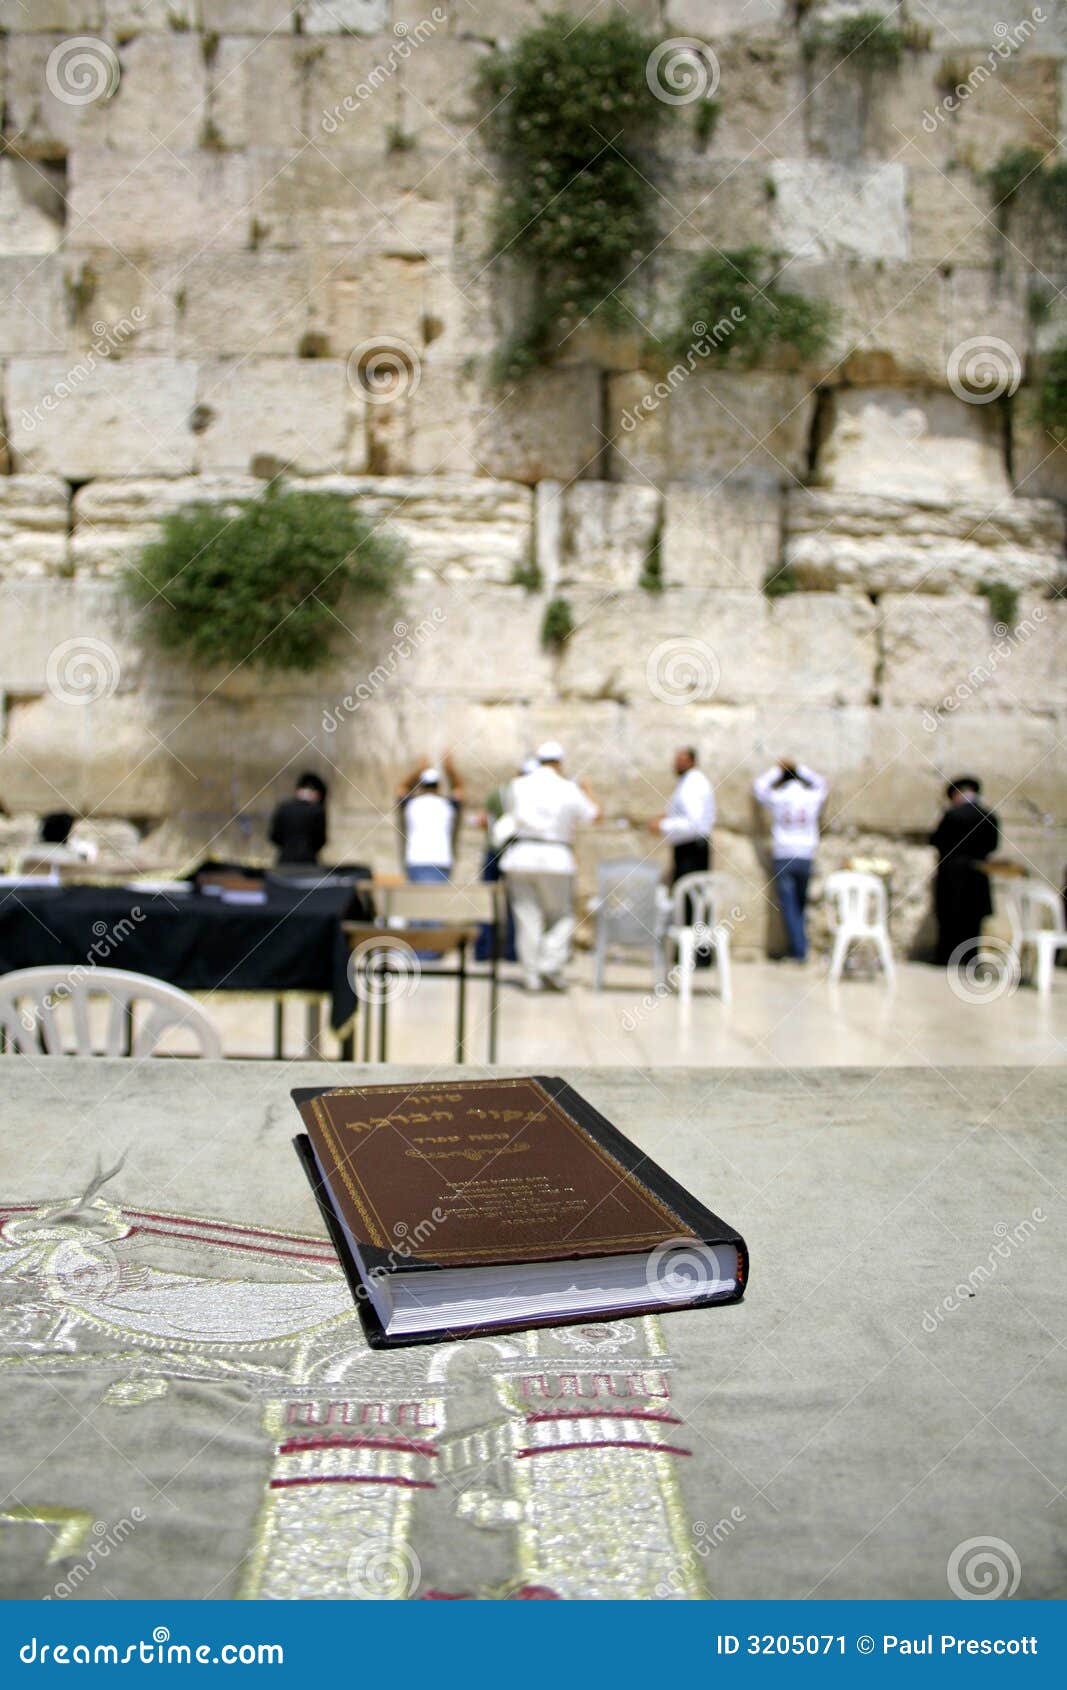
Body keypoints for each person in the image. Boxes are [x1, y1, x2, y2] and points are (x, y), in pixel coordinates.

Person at [500, 742, 599, 992]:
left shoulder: (518, 785)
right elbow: (593, 816)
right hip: (556, 859)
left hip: (521, 856)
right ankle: (549, 963)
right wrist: (587, 790)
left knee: (527, 917)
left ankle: (531, 975)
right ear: (559, 762)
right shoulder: (568, 788)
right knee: (562, 916)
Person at [753, 760, 828, 962]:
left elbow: (759, 788)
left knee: (789, 905)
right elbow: (823, 784)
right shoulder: (810, 796)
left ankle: (799, 951)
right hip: (805, 854)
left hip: (784, 854)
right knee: (800, 903)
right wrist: (801, 768)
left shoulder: (778, 797)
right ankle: (800, 947)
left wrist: (777, 769)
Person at [930, 776, 1000, 967]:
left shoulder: (952, 815)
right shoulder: (989, 815)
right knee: (973, 920)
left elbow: (937, 840)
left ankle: (946, 958)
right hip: (977, 873)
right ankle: (970, 959)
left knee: (950, 917)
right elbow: (993, 845)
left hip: (952, 873)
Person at [647, 747, 715, 884]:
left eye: (680, 760)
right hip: (688, 848)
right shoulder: (687, 782)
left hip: (692, 850)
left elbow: (693, 823)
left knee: (689, 897)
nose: (676, 764)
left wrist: (662, 825)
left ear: (691, 761)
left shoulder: (693, 784)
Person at [396, 755, 464, 882]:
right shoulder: (447, 805)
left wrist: (418, 770)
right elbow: (459, 792)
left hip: (416, 860)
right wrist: (450, 770)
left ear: (421, 786)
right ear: (438, 786)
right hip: (441, 860)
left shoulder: (411, 804)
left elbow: (401, 789)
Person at [268, 772, 327, 866]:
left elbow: (274, 836)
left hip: (284, 861)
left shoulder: (283, 808)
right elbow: (320, 840)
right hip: (308, 862)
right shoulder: (317, 811)